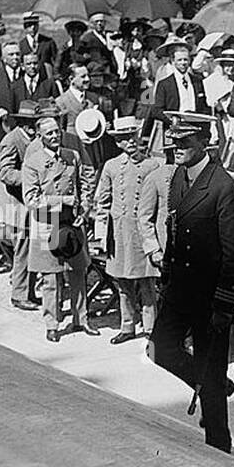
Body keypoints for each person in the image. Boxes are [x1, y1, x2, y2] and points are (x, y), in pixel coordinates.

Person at [148, 113, 234, 453]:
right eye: (174, 142)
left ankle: (220, 447)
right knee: (160, 349)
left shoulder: (223, 187)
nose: (176, 148)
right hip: (180, 290)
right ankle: (215, 383)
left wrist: (225, 303)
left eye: (183, 143)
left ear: (204, 143)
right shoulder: (179, 177)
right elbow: (174, 232)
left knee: (212, 384)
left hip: (210, 299)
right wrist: (166, 278)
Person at [22, 109, 95, 341]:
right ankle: (52, 324)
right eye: (49, 133)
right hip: (47, 224)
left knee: (78, 273)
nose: (55, 136)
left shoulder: (71, 155)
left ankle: (81, 319)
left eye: (57, 131)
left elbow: (84, 182)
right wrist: (61, 200)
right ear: (39, 136)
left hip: (72, 223)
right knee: (50, 278)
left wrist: (84, 209)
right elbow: (31, 200)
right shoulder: (32, 162)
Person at [96, 116, 161, 344]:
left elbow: (160, 201)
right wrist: (101, 231)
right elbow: (101, 200)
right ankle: (127, 325)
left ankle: (151, 327)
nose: (129, 142)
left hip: (143, 231)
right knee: (122, 282)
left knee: (147, 282)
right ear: (118, 143)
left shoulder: (152, 165)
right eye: (124, 139)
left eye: (132, 137)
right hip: (119, 232)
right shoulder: (111, 166)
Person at [0, 99, 42, 310]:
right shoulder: (11, 140)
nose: (36, 126)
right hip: (15, 205)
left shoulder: (34, 140)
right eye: (32, 123)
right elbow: (4, 172)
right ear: (23, 123)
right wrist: (30, 177)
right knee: (22, 249)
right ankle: (19, 294)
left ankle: (28, 291)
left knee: (31, 247)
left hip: (29, 203)